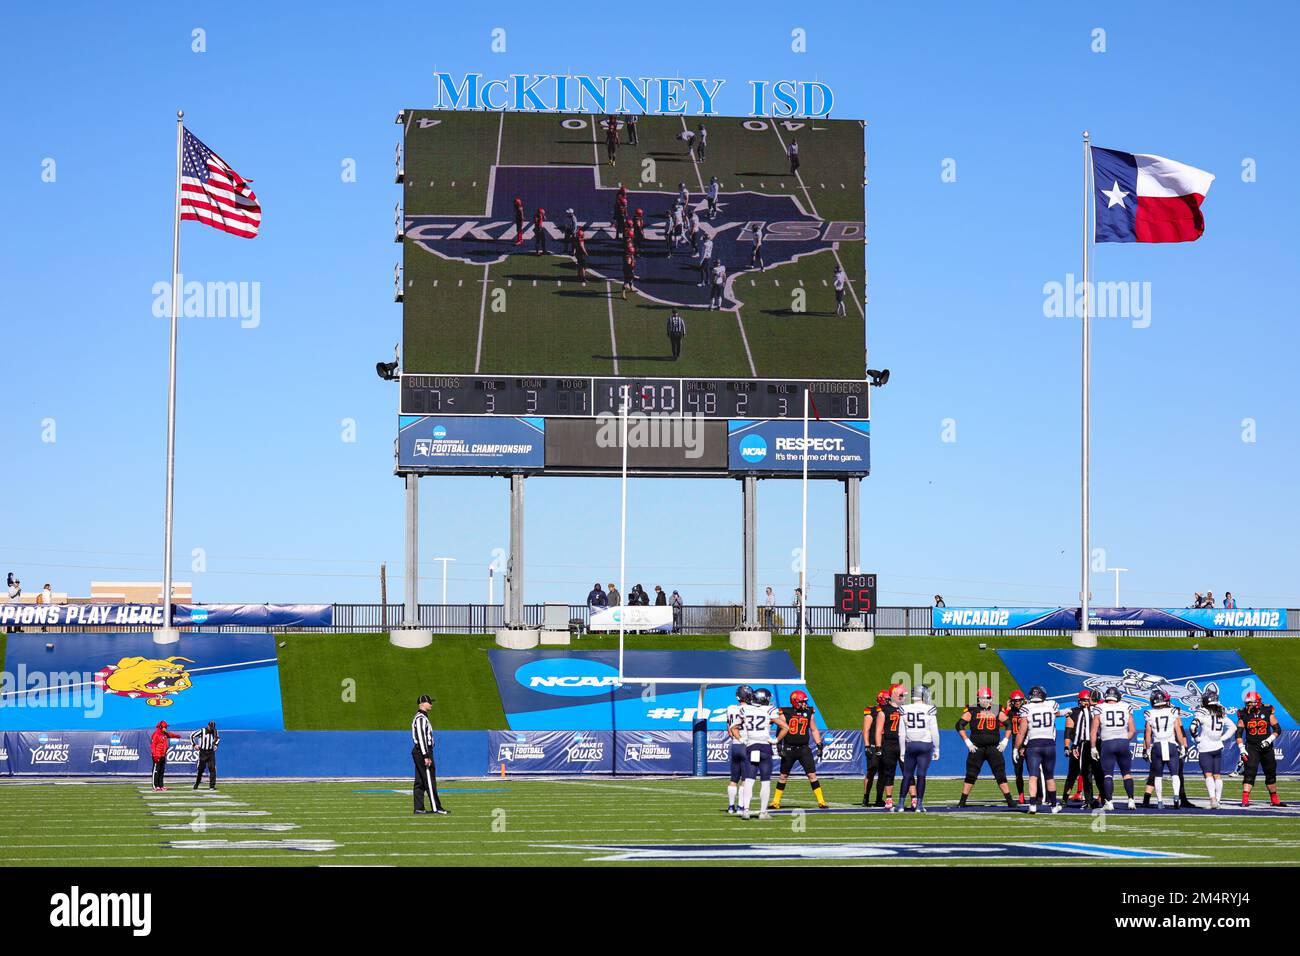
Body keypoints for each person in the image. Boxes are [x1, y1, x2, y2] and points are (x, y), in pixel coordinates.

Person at [956, 687, 1015, 808]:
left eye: (988, 697)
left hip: (994, 747)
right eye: (983, 697)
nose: (986, 700)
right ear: (978, 698)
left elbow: (1008, 723)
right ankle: (962, 801)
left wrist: (1005, 740)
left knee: (1000, 773)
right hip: (977, 747)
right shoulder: (972, 709)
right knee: (971, 774)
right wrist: (967, 742)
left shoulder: (995, 708)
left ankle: (1009, 800)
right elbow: (959, 725)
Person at [770, 690, 828, 810]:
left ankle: (821, 801)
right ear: (795, 701)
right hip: (789, 748)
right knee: (783, 776)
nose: (804, 704)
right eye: (802, 701)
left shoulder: (809, 712)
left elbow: (814, 729)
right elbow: (780, 729)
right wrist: (779, 745)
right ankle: (775, 802)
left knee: (812, 775)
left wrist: (819, 744)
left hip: (804, 749)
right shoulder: (784, 712)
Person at [735, 687, 787, 820]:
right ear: (764, 699)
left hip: (751, 746)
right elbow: (785, 727)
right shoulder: (770, 710)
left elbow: (733, 727)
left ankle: (745, 810)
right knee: (765, 782)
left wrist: (741, 739)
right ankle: (763, 812)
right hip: (765, 747)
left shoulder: (745, 709)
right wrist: (776, 740)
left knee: (749, 780)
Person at [1016, 685, 1062, 814]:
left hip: (1033, 744)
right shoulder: (1051, 705)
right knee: (1049, 776)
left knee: (1033, 775)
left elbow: (1021, 732)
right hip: (1049, 743)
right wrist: (1066, 712)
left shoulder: (1026, 708)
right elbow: (1056, 714)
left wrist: (1016, 748)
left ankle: (1032, 805)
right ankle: (1053, 806)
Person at [1090, 686, 1138, 811]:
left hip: (1107, 743)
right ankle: (1131, 800)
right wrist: (1123, 740)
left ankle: (1109, 802)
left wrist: (1093, 747)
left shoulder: (1100, 708)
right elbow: (1132, 730)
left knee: (1108, 775)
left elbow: (1094, 730)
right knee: (1126, 773)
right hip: (1122, 741)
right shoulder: (1126, 707)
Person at [1140, 689, 1188, 809]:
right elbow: (1178, 731)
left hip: (1157, 745)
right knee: (1175, 774)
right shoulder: (1172, 712)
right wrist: (1182, 746)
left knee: (1158, 775)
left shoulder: (1149, 713)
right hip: (1171, 745)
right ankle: (1176, 796)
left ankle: (1160, 801)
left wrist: (1147, 748)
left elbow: (1147, 734)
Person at [896, 685, 939, 812]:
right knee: (921, 776)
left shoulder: (904, 708)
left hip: (911, 745)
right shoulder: (930, 709)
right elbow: (934, 732)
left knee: (907, 775)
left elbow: (901, 733)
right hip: (925, 745)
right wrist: (937, 749)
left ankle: (900, 805)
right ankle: (919, 805)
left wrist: (902, 751)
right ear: (923, 695)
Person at [1238, 690, 1285, 807]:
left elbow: (1277, 729)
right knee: (1249, 772)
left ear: (1257, 702)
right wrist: (1241, 748)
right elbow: (1238, 734)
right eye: (1247, 703)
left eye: (1250, 703)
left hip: (1267, 747)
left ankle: (1274, 799)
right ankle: (1245, 800)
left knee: (1270, 772)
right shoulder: (1243, 713)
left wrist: (1268, 740)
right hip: (1252, 747)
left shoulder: (1268, 710)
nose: (1248, 706)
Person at [1190, 690, 1235, 809]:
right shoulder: (1221, 711)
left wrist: (1196, 738)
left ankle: (1213, 799)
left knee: (1208, 774)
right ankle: (1218, 800)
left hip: (1205, 746)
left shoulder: (1202, 711)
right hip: (1217, 746)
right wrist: (1222, 738)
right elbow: (1233, 727)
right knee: (1217, 775)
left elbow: (1192, 727)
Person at [1063, 689, 1107, 807]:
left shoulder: (1093, 711)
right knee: (1075, 773)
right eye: (1082, 700)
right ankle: (1065, 798)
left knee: (1096, 773)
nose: (1085, 702)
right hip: (1084, 744)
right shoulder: (1075, 712)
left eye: (1086, 700)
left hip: (1089, 744)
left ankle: (1100, 798)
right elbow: (1069, 731)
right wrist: (1068, 746)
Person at [411, 693, 448, 815]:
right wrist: (426, 755)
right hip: (423, 751)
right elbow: (421, 738)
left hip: (421, 751)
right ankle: (436, 807)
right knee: (429, 780)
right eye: (429, 702)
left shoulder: (421, 717)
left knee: (420, 781)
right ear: (422, 703)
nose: (431, 704)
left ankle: (419, 808)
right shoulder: (421, 718)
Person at [873, 683, 906, 810]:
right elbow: (877, 731)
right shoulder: (883, 710)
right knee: (887, 772)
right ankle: (887, 798)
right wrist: (878, 747)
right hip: (889, 743)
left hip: (902, 743)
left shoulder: (906, 708)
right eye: (901, 695)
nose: (903, 697)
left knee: (907, 772)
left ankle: (914, 798)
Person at [724, 685, 753, 813]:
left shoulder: (730, 708)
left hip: (735, 744)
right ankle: (741, 807)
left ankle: (731, 807)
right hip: (746, 744)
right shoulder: (751, 709)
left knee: (733, 779)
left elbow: (729, 730)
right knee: (745, 779)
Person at [862, 690, 890, 806]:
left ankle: (879, 798)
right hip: (874, 746)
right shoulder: (872, 711)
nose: (889, 701)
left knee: (883, 773)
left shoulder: (890, 711)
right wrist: (867, 746)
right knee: (871, 772)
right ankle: (866, 797)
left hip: (886, 747)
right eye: (887, 699)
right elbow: (866, 730)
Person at [1004, 689, 1028, 803]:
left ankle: (1040, 796)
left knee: (1034, 771)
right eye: (1015, 701)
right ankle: (1021, 795)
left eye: (1019, 700)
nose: (1017, 703)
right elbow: (996, 720)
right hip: (1016, 745)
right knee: (1018, 772)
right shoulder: (1009, 712)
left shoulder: (1029, 710)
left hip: (1029, 743)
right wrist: (1007, 709)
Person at [150, 720, 181, 792]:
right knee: (156, 771)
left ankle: (161, 786)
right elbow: (153, 746)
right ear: (161, 727)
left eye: (166, 727)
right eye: (165, 727)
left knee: (161, 771)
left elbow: (170, 734)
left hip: (163, 755)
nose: (166, 728)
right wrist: (155, 755)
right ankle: (155, 786)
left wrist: (177, 736)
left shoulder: (164, 733)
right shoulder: (156, 734)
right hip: (157, 755)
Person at [190, 720, 219, 790]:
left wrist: (216, 745)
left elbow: (217, 738)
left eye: (212, 727)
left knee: (212, 768)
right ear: (208, 726)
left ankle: (212, 786)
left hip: (211, 752)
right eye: (210, 727)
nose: (211, 729)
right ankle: (197, 783)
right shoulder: (202, 730)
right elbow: (192, 735)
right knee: (200, 770)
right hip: (203, 752)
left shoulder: (215, 731)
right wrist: (194, 745)